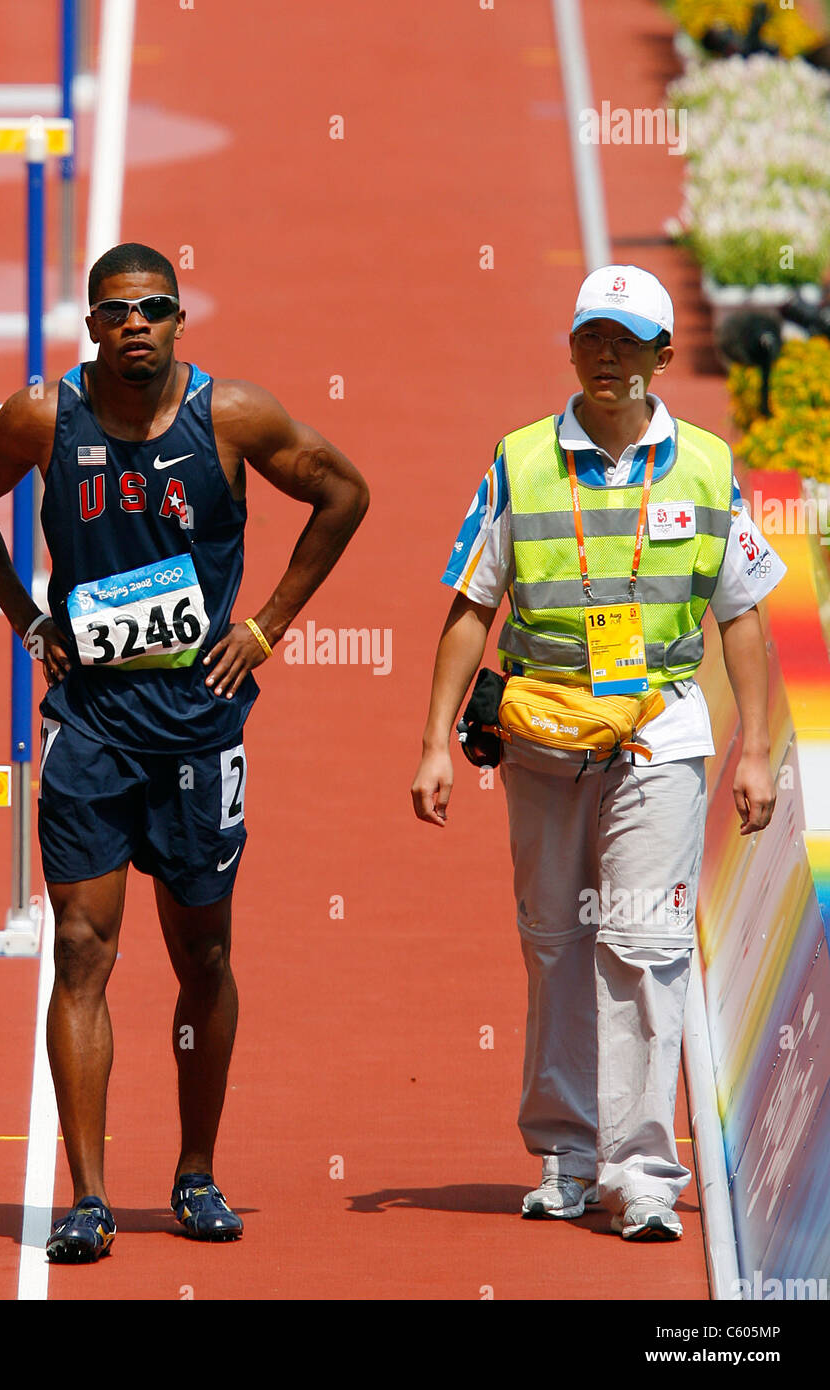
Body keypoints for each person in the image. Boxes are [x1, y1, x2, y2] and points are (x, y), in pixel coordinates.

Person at [0, 241, 369, 1261]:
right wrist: (26, 618)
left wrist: (264, 626)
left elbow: (345, 492)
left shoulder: (234, 417)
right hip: (89, 724)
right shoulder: (44, 417)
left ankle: (194, 1172)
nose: (137, 323)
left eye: (155, 307)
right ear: (91, 326)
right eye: (117, 310)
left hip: (197, 728)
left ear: (181, 321)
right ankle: (88, 1197)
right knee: (84, 950)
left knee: (203, 954)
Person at [411, 264, 783, 1241]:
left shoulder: (705, 465)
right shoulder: (522, 461)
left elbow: (742, 619)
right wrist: (435, 743)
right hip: (541, 741)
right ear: (573, 347)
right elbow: (471, 608)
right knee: (555, 943)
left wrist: (758, 751)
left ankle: (645, 1170)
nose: (608, 355)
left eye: (629, 339)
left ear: (663, 356)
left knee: (644, 944)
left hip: (659, 740)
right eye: (593, 336)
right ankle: (567, 1154)